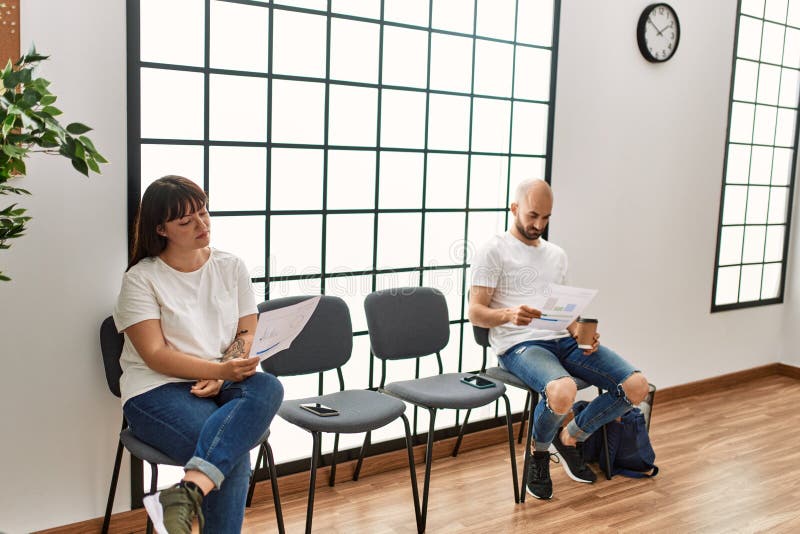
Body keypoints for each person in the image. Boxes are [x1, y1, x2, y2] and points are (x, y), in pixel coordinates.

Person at [113, 175, 284, 533]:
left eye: (204, 213)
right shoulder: (140, 279)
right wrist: (219, 371)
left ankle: (186, 491)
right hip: (156, 389)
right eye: (186, 221)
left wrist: (221, 370)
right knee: (232, 458)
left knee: (268, 387)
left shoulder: (230, 265)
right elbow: (155, 355)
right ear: (161, 229)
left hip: (219, 375)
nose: (201, 225)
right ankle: (187, 493)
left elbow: (246, 328)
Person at [468, 178, 650, 500]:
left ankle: (570, 436)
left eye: (546, 218)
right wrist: (508, 314)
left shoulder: (556, 255)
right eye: (533, 215)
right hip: (519, 344)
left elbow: (564, 314)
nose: (539, 224)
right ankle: (538, 454)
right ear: (514, 209)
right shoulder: (493, 250)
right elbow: (476, 312)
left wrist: (583, 334)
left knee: (636, 387)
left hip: (562, 340)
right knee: (562, 390)